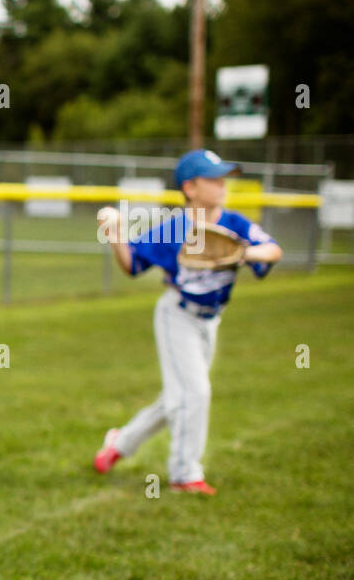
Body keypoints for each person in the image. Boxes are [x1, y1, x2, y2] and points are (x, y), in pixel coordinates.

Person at [93, 149, 283, 494]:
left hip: (210, 321)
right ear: (191, 187)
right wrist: (115, 233)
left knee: (176, 399)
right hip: (177, 315)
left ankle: (119, 444)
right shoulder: (175, 228)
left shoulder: (235, 224)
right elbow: (132, 265)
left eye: (224, 178)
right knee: (195, 393)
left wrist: (243, 253)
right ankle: (185, 475)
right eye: (214, 179)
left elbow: (272, 250)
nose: (223, 185)